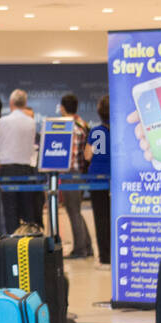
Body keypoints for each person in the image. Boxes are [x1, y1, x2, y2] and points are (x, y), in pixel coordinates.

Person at [0, 89, 42, 232]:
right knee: (27, 208)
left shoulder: (4, 121)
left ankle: (12, 243)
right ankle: (29, 241)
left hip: (8, 169)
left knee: (10, 209)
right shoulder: (31, 122)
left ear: (11, 103)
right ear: (25, 104)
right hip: (26, 169)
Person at [59, 93, 94, 259]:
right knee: (77, 211)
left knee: (73, 211)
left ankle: (80, 249)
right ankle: (87, 245)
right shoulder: (82, 124)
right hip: (81, 172)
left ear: (63, 108)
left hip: (70, 174)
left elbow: (69, 157)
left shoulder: (68, 127)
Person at [85, 96, 112, 266]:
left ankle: (104, 257)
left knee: (100, 218)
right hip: (116, 179)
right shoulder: (122, 131)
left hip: (96, 178)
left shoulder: (95, 132)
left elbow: (88, 155)